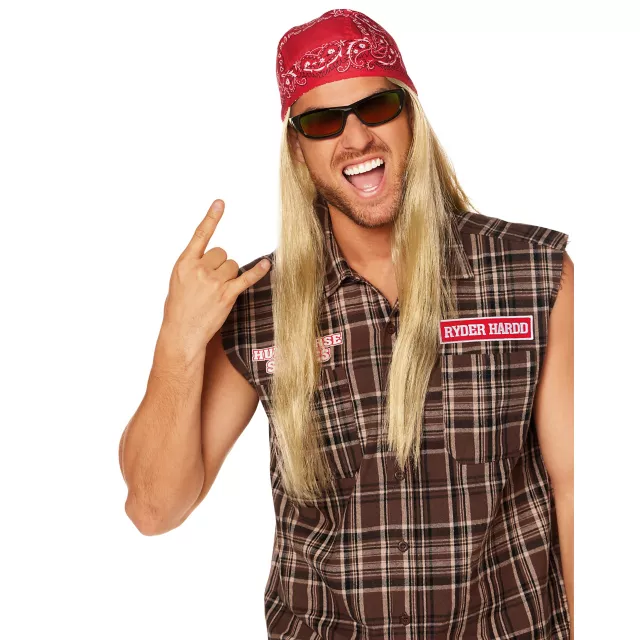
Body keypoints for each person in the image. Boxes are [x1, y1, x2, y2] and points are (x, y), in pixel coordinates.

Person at [119, 9, 573, 639]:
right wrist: (178, 339)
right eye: (323, 122)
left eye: (376, 107)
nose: (356, 138)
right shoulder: (257, 306)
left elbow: (579, 489)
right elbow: (153, 509)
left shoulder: (532, 273)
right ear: (298, 151)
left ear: (411, 118)